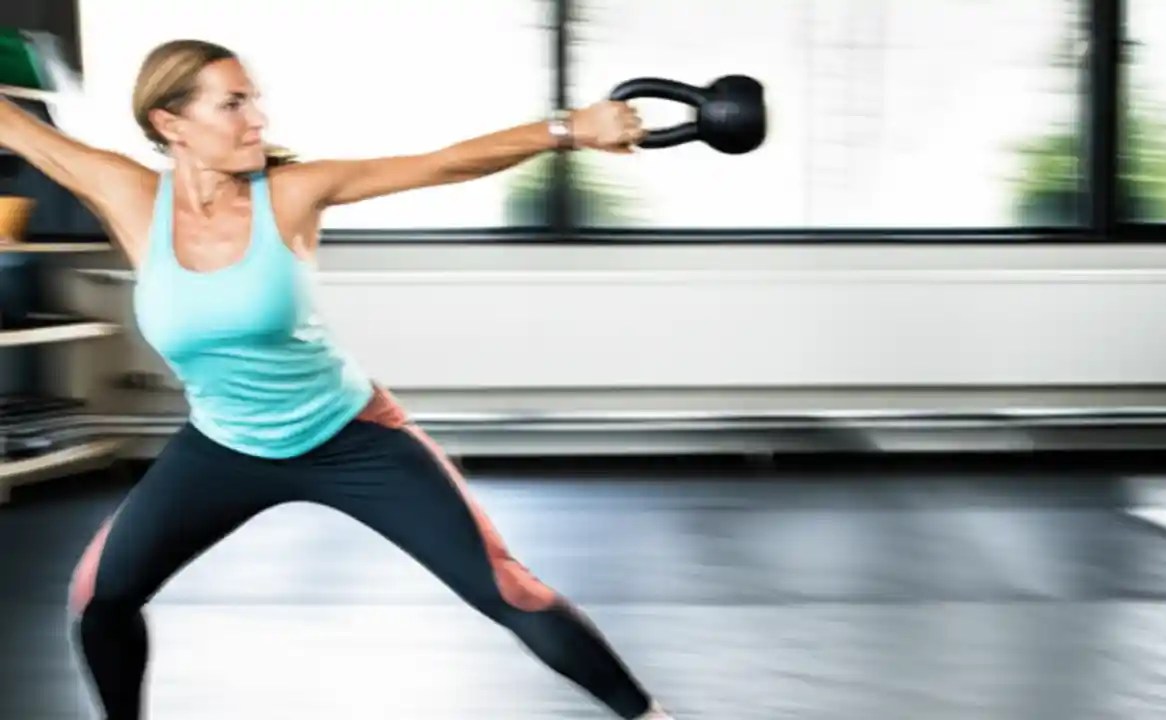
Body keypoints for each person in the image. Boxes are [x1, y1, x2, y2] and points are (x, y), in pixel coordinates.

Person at [0, 39, 674, 719]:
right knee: (98, 596)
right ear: (171, 123)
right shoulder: (131, 195)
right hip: (224, 447)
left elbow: (440, 165)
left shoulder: (290, 193)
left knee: (509, 589)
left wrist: (567, 131)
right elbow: (13, 124)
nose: (258, 119)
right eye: (233, 104)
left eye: (254, 99)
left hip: (352, 434)